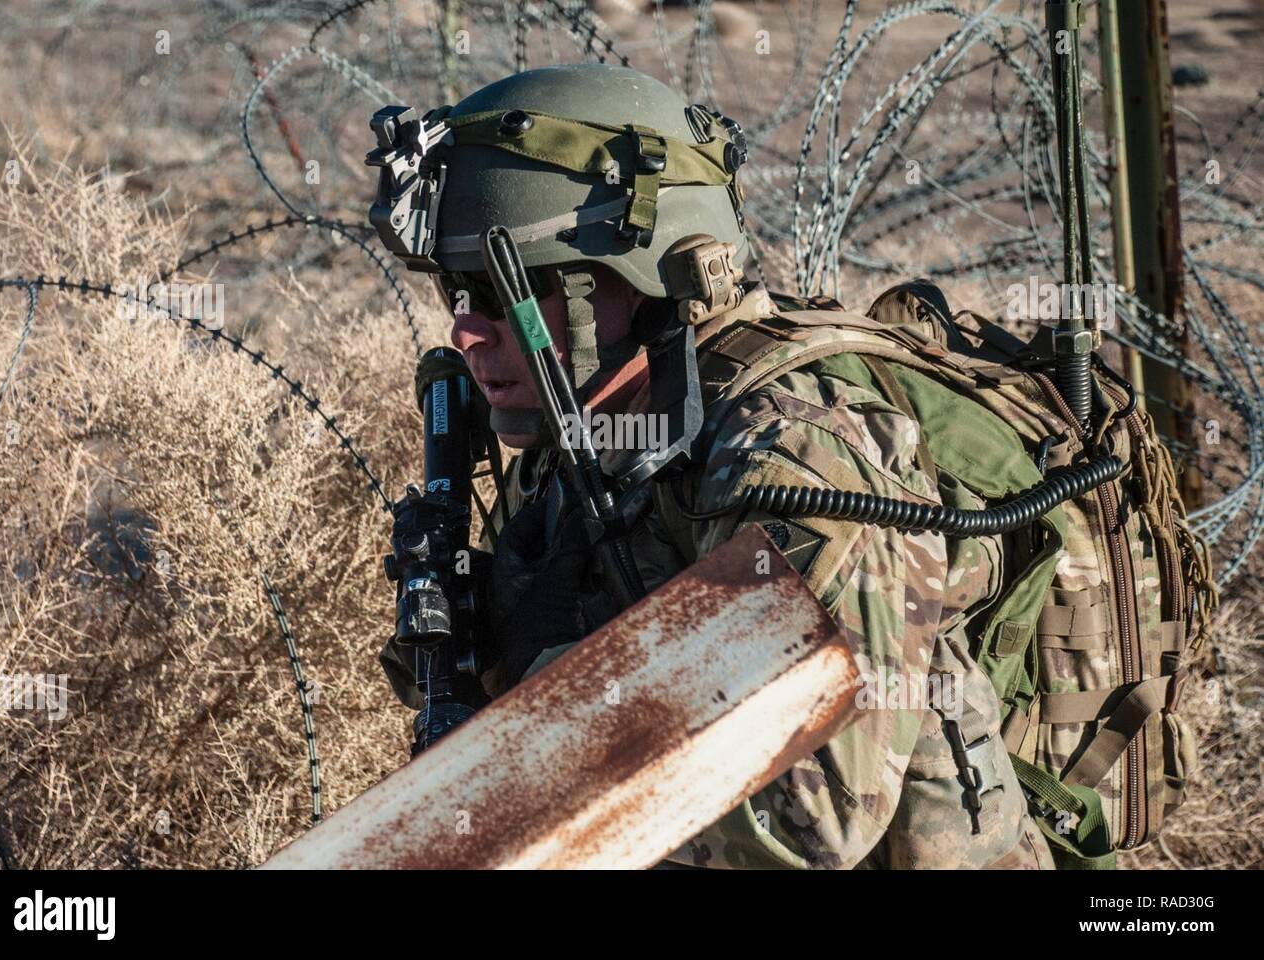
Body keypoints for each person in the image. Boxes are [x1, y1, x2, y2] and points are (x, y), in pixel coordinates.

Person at [371, 61, 1207, 869]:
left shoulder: (800, 458)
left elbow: (811, 818)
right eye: (458, 293)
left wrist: (537, 726)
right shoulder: (583, 437)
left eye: (512, 289)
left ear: (638, 278)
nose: (469, 334)